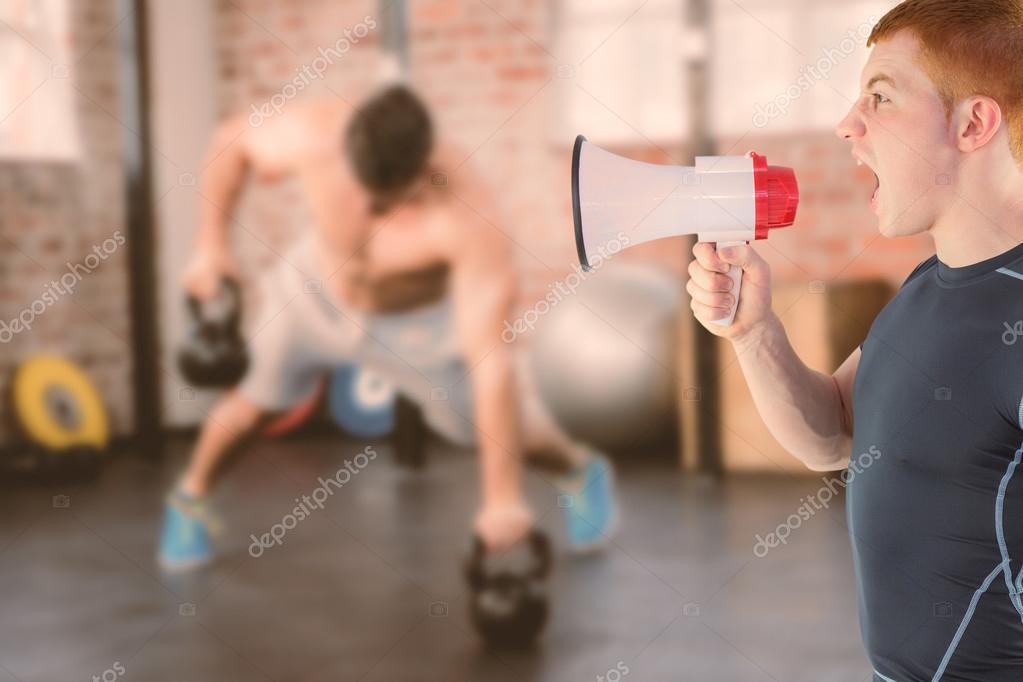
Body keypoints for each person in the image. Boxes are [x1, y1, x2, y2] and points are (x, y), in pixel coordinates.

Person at [687, 1, 1023, 679]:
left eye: (880, 97)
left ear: (972, 124)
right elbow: (833, 436)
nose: (847, 125)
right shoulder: (927, 287)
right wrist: (754, 332)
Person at [159, 84, 616, 570]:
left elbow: (490, 364)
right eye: (358, 190)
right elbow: (231, 141)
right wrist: (210, 246)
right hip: (313, 289)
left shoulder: (469, 218)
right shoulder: (315, 135)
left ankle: (577, 469)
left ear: (422, 173)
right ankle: (189, 501)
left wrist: (501, 500)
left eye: (383, 202)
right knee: (252, 405)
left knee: (484, 427)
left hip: (415, 327)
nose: (364, 210)